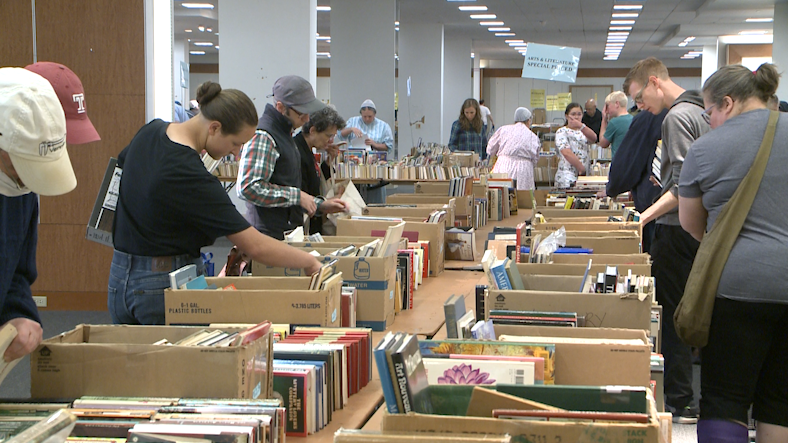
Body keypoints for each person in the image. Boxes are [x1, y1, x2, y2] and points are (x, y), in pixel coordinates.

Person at [110, 81, 322, 325]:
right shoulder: (192, 174)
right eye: (235, 143)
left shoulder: (150, 131)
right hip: (162, 285)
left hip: (119, 277)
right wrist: (309, 261)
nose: (236, 153)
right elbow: (255, 246)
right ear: (214, 128)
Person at [679, 63, 788, 443]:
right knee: (779, 401)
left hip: (737, 287)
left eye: (709, 111)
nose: (709, 121)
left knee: (725, 397)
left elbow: (693, 225)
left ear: (727, 103)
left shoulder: (706, 148)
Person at [624, 56, 710, 423]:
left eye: (639, 96)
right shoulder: (702, 110)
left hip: (678, 232)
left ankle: (680, 399)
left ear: (655, 82)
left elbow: (683, 186)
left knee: (671, 318)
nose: (639, 105)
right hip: (704, 232)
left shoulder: (675, 118)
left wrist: (642, 218)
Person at [0, 67, 85, 361]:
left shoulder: (20, 190)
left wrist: (19, 312)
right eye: (19, 167)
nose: (25, 181)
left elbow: (17, 271)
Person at [237, 75, 343, 240]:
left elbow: (285, 183)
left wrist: (320, 204)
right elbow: (249, 188)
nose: (307, 119)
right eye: (302, 114)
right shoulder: (264, 136)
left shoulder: (285, 134)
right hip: (267, 235)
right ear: (280, 107)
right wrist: (297, 196)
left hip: (285, 231)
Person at [605, 84, 667, 253]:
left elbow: (631, 159)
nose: (639, 106)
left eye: (639, 99)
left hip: (654, 207)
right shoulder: (691, 110)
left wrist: (612, 188)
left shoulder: (648, 117)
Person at [295, 106, 349, 234]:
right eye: (328, 135)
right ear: (313, 131)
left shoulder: (307, 150)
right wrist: (326, 203)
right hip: (303, 224)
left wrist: (329, 161)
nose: (330, 140)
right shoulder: (297, 152)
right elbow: (302, 194)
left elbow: (314, 177)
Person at [486, 107, 540, 190]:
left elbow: (490, 148)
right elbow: (535, 158)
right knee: (522, 197)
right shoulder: (533, 136)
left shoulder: (503, 129)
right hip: (524, 168)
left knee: (502, 194)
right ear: (529, 121)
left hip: (504, 165)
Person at [554, 102, 598, 188]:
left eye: (579, 114)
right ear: (567, 116)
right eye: (573, 114)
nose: (576, 117)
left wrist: (581, 126)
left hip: (583, 177)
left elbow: (594, 138)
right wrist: (581, 168)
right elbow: (566, 152)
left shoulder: (583, 131)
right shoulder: (562, 131)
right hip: (567, 174)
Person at [597, 91, 634, 159]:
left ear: (617, 104)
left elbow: (603, 143)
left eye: (608, 106)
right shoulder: (633, 119)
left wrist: (604, 119)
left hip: (619, 162)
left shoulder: (614, 122)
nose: (607, 110)